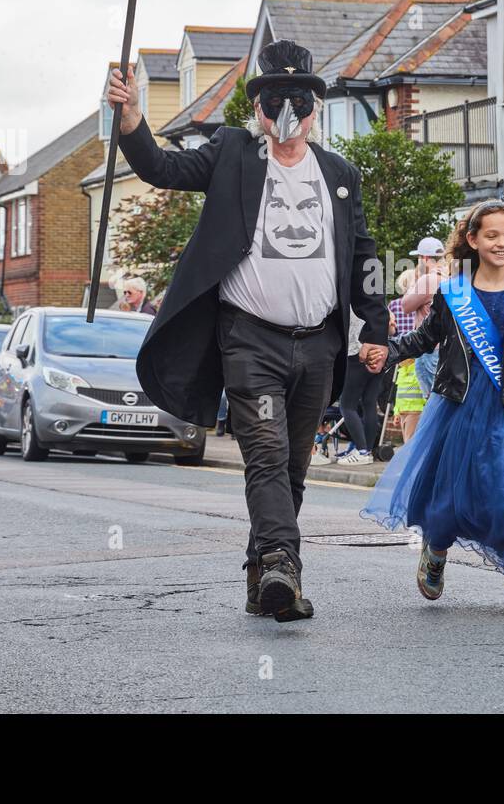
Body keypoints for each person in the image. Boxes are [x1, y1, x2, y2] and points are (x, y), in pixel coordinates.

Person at [107, 38, 389, 623]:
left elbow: (365, 253)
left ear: (316, 109)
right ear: (258, 109)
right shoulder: (233, 151)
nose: (288, 115)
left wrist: (376, 325)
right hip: (249, 340)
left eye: (300, 103)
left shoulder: (339, 173)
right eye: (274, 102)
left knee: (293, 469)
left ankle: (263, 577)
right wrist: (134, 120)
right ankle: (286, 562)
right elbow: (162, 168)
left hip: (318, 343)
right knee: (265, 453)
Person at [361, 200, 504, 616]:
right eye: (492, 235)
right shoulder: (453, 293)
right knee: (451, 491)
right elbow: (425, 337)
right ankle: (436, 547)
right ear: (472, 239)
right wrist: (388, 352)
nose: (502, 243)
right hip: (458, 404)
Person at [401, 237, 447, 398]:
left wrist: (415, 280)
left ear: (425, 258)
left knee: (433, 400)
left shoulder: (428, 279)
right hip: (446, 347)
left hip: (429, 349)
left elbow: (405, 306)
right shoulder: (450, 277)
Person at [336, 312, 383, 465]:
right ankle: (367, 451)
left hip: (356, 351)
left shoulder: (351, 297)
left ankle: (362, 451)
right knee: (369, 402)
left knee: (346, 405)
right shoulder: (374, 301)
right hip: (378, 350)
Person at [389, 269, 423, 442]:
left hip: (404, 356)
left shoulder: (395, 306)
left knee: (410, 439)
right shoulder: (422, 303)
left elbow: (391, 331)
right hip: (415, 355)